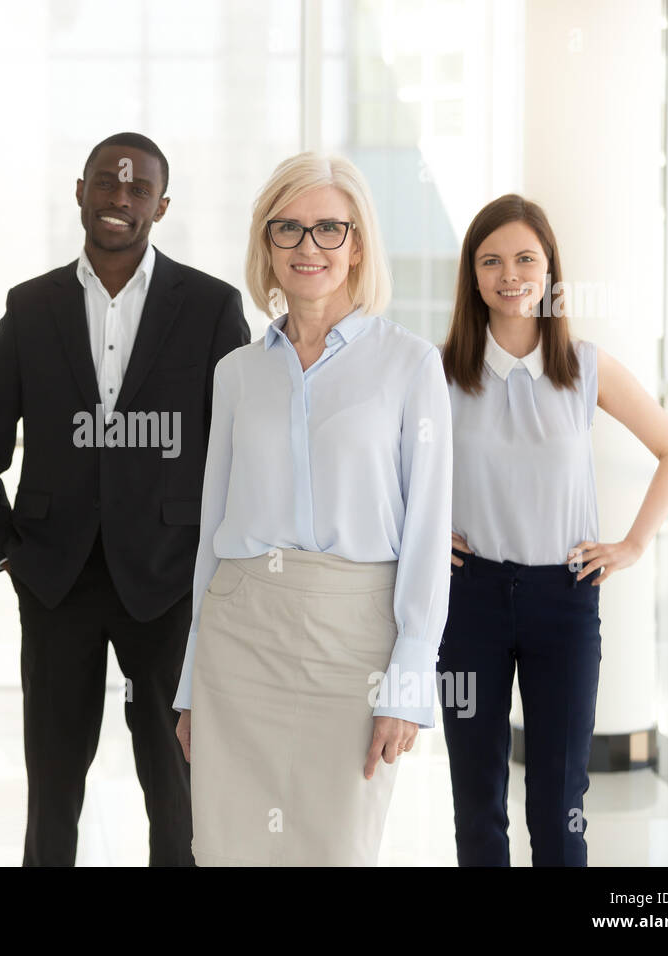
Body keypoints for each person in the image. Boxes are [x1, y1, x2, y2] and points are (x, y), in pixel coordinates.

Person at [173, 152, 452, 866]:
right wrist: (189, 685)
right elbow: (213, 534)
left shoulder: (411, 365)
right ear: (266, 245)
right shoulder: (236, 372)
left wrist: (410, 679)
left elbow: (426, 534)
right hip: (239, 640)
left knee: (336, 850)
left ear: (359, 244)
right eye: (288, 229)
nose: (308, 247)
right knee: (231, 851)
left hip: (353, 646)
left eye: (330, 228)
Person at [0, 132, 249, 866]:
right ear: (80, 190)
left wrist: (222, 558)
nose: (119, 199)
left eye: (137, 190)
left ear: (161, 206)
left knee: (176, 777)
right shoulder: (31, 306)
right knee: (54, 777)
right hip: (55, 578)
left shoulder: (210, 307)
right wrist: (6, 541)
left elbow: (241, 449)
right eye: (107, 182)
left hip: (168, 579)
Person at [438, 194, 668, 866]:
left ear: (550, 271)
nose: (509, 273)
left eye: (525, 258)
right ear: (473, 275)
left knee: (560, 805)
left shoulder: (584, 367)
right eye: (491, 260)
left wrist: (633, 544)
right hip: (470, 601)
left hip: (565, 599)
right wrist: (423, 534)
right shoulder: (441, 371)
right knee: (477, 799)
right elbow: (389, 471)